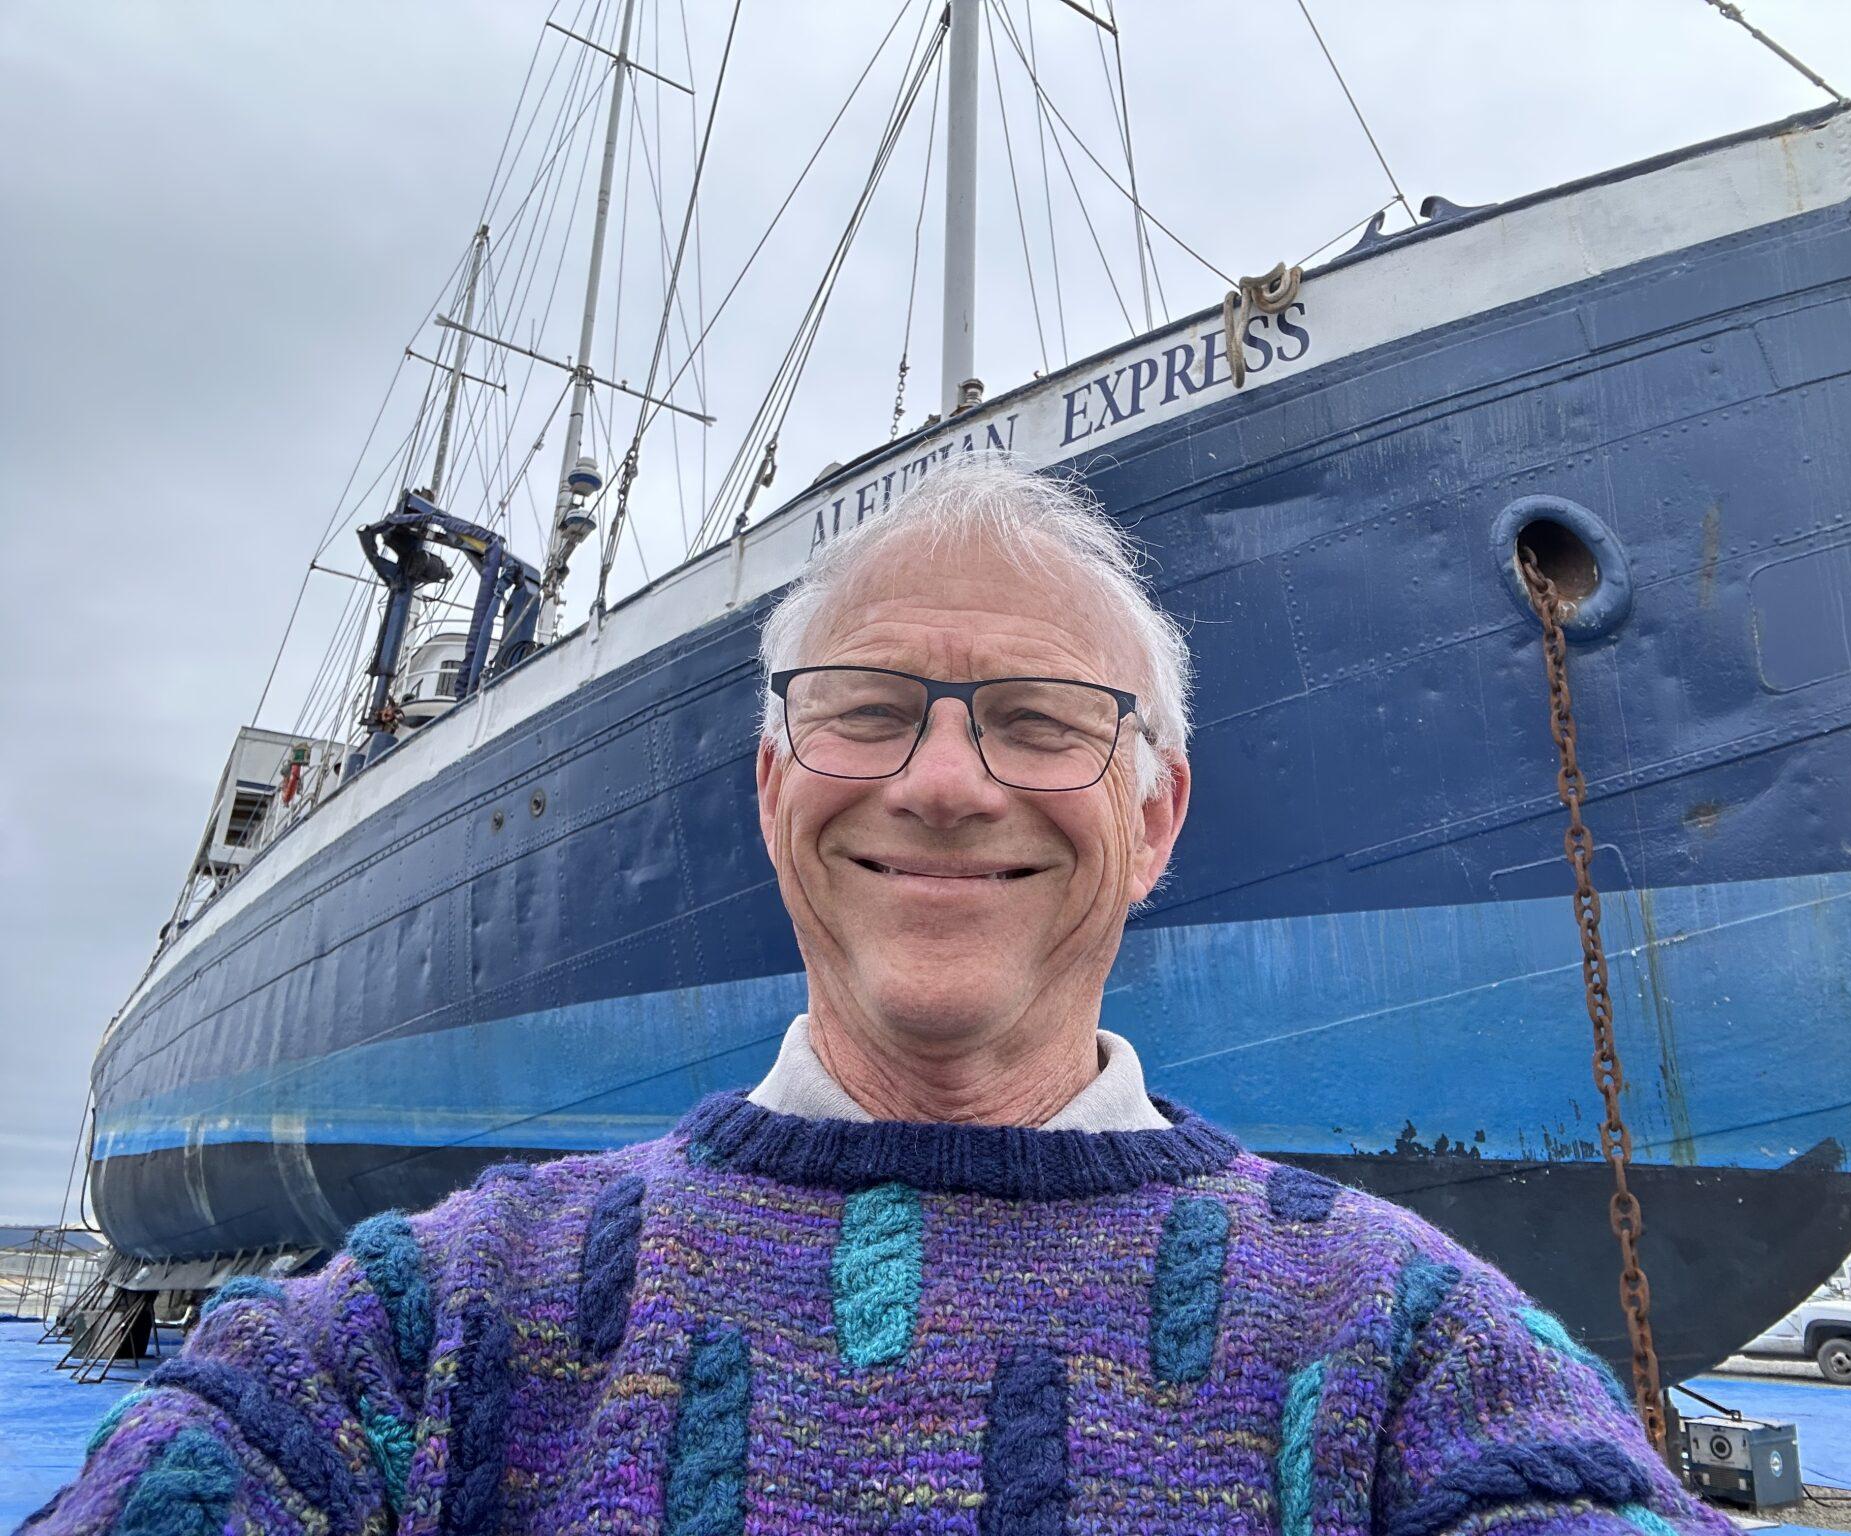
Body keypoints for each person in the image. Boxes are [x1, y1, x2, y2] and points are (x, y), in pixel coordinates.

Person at [28, 457, 1737, 1535]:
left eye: (1046, 717)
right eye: (864, 709)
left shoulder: (1411, 1347)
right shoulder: (435, 1322)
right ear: (771, 783)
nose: (942, 781)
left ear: (1157, 814)